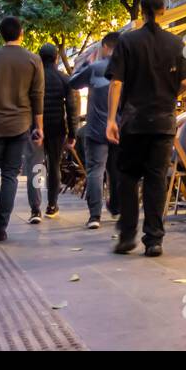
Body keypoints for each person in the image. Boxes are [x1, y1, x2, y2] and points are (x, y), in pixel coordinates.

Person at [105, 0, 186, 256]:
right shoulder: (176, 43)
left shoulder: (127, 41)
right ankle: (154, 240)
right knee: (156, 180)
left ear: (142, 11)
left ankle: (127, 235)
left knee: (129, 178)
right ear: (164, 10)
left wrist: (111, 119)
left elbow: (117, 82)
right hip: (163, 123)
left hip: (132, 122)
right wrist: (168, 96)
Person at [0, 16, 44, 241]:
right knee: (11, 175)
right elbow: (37, 95)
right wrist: (39, 126)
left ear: (1, 34)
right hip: (20, 124)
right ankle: (1, 226)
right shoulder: (33, 60)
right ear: (21, 33)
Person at [68, 32, 118, 230]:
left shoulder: (96, 67)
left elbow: (73, 82)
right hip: (119, 129)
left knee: (95, 172)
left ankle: (95, 215)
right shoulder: (127, 70)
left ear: (105, 47)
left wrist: (86, 63)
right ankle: (115, 207)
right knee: (116, 171)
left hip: (96, 129)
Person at [36, 43, 77, 220]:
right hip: (57, 128)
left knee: (36, 165)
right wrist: (73, 133)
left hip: (36, 128)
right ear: (56, 58)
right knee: (54, 166)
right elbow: (71, 108)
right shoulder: (64, 79)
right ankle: (52, 205)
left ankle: (35, 207)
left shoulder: (34, 78)